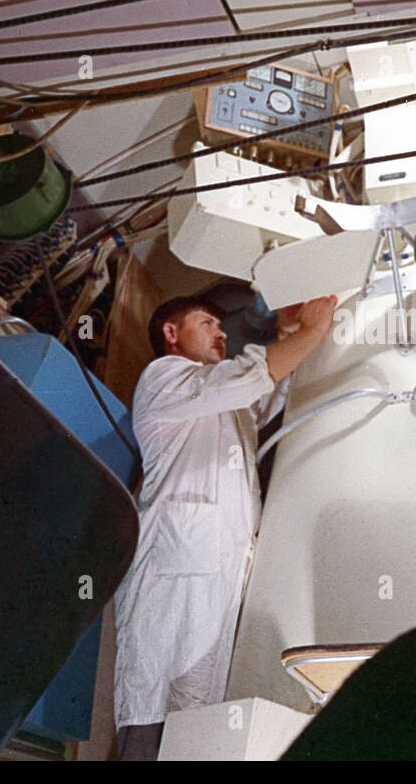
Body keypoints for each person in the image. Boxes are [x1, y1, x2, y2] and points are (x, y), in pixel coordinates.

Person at [112, 293, 337, 760]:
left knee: (194, 726)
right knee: (154, 718)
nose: (221, 333)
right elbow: (247, 377)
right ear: (171, 334)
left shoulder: (224, 404)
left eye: (220, 324)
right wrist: (314, 331)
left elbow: (264, 390)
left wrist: (289, 334)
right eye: (207, 323)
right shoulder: (164, 378)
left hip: (216, 581)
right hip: (173, 584)